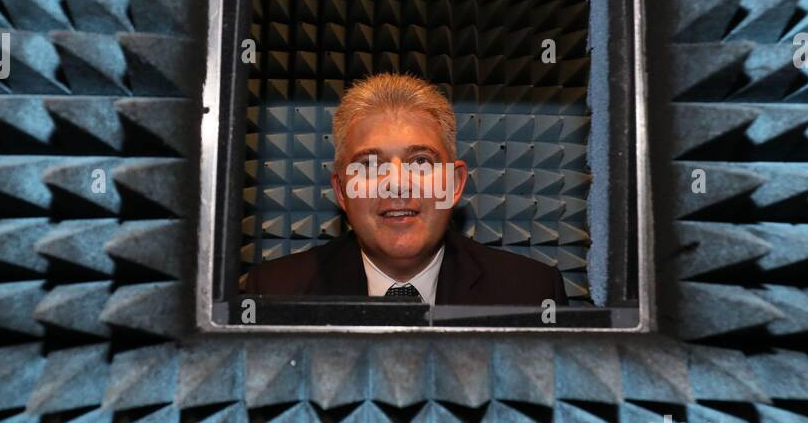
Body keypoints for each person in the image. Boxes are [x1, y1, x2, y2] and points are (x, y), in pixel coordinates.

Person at [243, 72, 569, 307]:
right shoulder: (273, 293)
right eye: (370, 165)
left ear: (454, 184)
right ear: (342, 191)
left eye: (421, 161)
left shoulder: (531, 295)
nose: (397, 183)